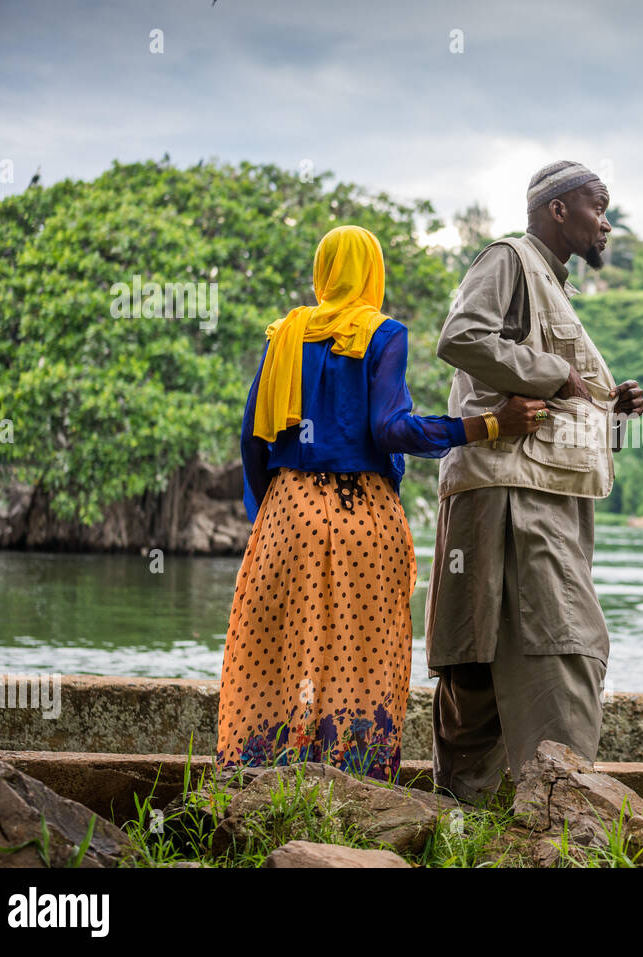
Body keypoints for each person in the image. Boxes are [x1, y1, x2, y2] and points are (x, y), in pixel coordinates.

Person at [216, 224, 546, 783]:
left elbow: (253, 439)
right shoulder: (383, 334)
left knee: (279, 651)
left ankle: (262, 780)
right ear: (374, 273)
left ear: (323, 272)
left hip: (288, 514)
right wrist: (489, 423)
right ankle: (354, 784)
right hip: (361, 515)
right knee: (358, 655)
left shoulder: (286, 336)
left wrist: (267, 511)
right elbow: (391, 430)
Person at [425, 161, 643, 804]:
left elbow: (557, 385)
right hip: (507, 486)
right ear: (558, 209)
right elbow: (461, 339)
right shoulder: (508, 259)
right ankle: (560, 811)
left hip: (546, 489)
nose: (605, 222)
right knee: (547, 645)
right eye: (597, 206)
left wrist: (609, 406)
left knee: (513, 644)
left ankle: (511, 808)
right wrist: (553, 375)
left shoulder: (552, 284)